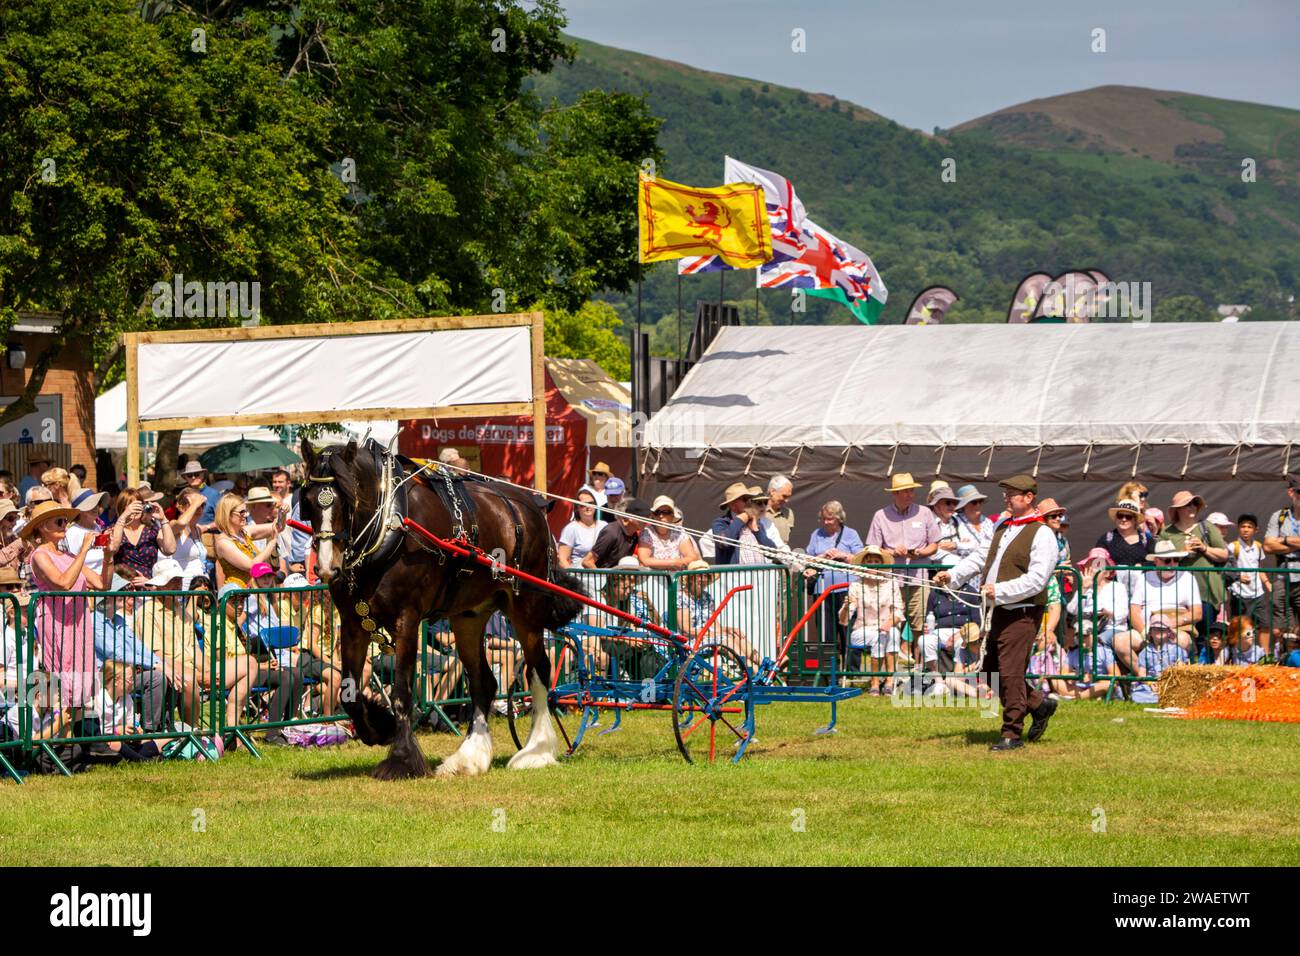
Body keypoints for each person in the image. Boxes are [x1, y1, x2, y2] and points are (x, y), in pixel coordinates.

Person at [934, 474, 1059, 751]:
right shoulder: (1003, 525)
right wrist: (952, 576)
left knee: (1011, 673)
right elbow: (980, 557)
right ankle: (1038, 705)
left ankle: (1012, 734)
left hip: (1023, 611)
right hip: (998, 609)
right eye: (1006, 494)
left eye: (1012, 494)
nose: (1007, 498)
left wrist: (999, 590)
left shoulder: (1043, 533)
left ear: (1028, 498)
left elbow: (1038, 579)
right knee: (991, 671)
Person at [25, 499, 115, 731]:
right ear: (42, 526)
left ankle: (69, 744)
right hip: (56, 625)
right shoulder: (39, 555)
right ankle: (48, 743)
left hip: (78, 625)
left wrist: (108, 556)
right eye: (59, 520)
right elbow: (63, 583)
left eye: (65, 519)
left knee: (78, 691)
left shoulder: (69, 556)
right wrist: (84, 550)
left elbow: (103, 584)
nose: (65, 523)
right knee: (61, 687)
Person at [865, 473, 940, 657]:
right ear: (895, 493)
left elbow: (935, 544)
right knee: (888, 625)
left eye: (911, 490)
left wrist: (920, 553)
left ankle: (920, 669)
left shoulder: (925, 513)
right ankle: (888, 673)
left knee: (921, 626)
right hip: (890, 581)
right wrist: (891, 552)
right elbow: (872, 548)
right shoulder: (880, 516)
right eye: (905, 491)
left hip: (919, 579)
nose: (909, 494)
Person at [1118, 539, 1202, 672]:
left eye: (1175, 560)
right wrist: (1146, 631)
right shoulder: (1143, 578)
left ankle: (1168, 682)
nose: (1172, 564)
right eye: (1167, 560)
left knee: (1182, 641)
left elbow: (1197, 613)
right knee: (1120, 642)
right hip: (1146, 630)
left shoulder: (1188, 578)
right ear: (1156, 561)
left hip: (1175, 630)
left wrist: (1167, 625)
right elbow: (1134, 610)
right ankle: (1145, 679)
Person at [1158, 490, 1228, 646]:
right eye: (1186, 505)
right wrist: (1182, 552)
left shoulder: (1207, 527)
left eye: (1194, 504)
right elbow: (1159, 558)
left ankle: (1205, 669)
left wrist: (1204, 548)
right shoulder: (1166, 533)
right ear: (1178, 509)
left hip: (1206, 592)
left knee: (1206, 637)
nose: (1192, 507)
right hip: (1177, 595)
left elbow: (1224, 554)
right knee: (1180, 636)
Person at [805, 500, 864, 657]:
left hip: (846, 589)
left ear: (839, 518)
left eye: (830, 518)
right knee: (825, 632)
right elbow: (808, 560)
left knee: (848, 629)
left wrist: (842, 555)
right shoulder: (816, 535)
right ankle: (828, 671)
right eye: (824, 518)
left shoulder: (851, 534)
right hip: (822, 590)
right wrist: (823, 556)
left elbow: (860, 559)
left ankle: (851, 672)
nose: (826, 522)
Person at [838, 546, 902, 692]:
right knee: (878, 637)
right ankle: (874, 681)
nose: (873, 564)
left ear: (882, 565)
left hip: (887, 628)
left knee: (893, 633)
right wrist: (847, 607)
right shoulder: (856, 585)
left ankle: (889, 681)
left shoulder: (892, 584)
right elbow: (843, 620)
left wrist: (888, 624)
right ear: (863, 565)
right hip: (861, 630)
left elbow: (898, 612)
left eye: (876, 561)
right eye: (869, 561)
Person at [676, 559, 759, 668]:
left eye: (706, 576)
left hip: (707, 638)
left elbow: (715, 626)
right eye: (700, 576)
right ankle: (753, 670)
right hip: (689, 641)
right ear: (691, 578)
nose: (704, 579)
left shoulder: (707, 597)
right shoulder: (681, 597)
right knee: (725, 640)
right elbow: (686, 629)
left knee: (736, 636)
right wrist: (713, 634)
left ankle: (765, 666)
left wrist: (729, 629)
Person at [108, 487, 177, 587]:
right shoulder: (114, 529)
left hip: (148, 586)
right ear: (122, 508)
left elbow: (170, 549)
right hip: (122, 589)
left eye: (138, 505)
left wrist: (163, 519)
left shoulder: (152, 529)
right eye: (130, 506)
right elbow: (113, 548)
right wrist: (123, 516)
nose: (135, 510)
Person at [1263, 475, 1300, 639]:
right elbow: (1268, 546)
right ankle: (1285, 660)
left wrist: (1284, 540)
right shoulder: (1279, 516)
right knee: (1281, 626)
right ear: (1291, 492)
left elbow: (1274, 543)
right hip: (1282, 576)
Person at [712, 482, 777, 567]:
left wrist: (757, 531)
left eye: (750, 498)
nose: (750, 501)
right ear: (733, 505)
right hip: (735, 578)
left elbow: (772, 552)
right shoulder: (721, 523)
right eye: (745, 499)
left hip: (759, 578)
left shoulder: (756, 522)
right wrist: (740, 520)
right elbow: (724, 543)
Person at [1226, 513, 1271, 626]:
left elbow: (1259, 567)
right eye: (1243, 526)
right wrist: (1238, 577)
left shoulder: (1258, 546)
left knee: (1264, 626)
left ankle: (1262, 645)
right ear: (1238, 528)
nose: (1246, 530)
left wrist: (1267, 583)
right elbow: (1226, 569)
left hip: (1258, 594)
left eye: (1249, 527)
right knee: (1239, 628)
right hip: (1239, 594)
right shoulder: (1232, 547)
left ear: (1256, 530)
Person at [583, 498, 651, 569]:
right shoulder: (611, 532)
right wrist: (603, 578)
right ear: (630, 518)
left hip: (616, 578)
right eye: (643, 518)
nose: (647, 521)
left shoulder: (634, 536)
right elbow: (587, 562)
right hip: (600, 577)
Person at [636, 495, 700, 571]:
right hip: (653, 578)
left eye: (665, 512)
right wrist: (672, 563)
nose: (661, 516)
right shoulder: (647, 532)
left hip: (676, 578)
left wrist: (678, 563)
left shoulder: (679, 532)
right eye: (657, 512)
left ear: (672, 516)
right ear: (653, 515)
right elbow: (644, 560)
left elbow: (692, 557)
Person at [168, 488, 210, 586]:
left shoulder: (197, 529)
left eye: (202, 505)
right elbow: (182, 523)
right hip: (183, 588)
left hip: (201, 588)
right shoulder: (173, 525)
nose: (199, 509)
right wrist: (196, 504)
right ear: (181, 507)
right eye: (195, 505)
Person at [1096, 499, 1152, 570]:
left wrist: (1141, 566)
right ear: (1116, 518)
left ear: (1135, 520)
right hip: (1113, 580)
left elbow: (1155, 561)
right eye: (1120, 516)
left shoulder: (1146, 538)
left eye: (1128, 517)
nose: (1124, 519)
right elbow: (1096, 562)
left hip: (1142, 580)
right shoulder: (1106, 538)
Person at [557, 490, 606, 568]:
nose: (588, 507)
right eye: (583, 505)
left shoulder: (604, 526)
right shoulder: (571, 529)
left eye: (591, 503)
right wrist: (572, 576)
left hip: (603, 575)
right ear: (577, 508)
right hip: (581, 575)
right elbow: (562, 559)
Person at [953, 484, 993, 560]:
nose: (978, 505)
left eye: (980, 501)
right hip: (963, 568)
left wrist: (960, 545)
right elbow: (950, 548)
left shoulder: (988, 522)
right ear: (963, 505)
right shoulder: (954, 522)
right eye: (974, 502)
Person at [181, 461, 223, 528]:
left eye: (197, 474)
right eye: (189, 475)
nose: (193, 477)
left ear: (202, 475)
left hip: (209, 536)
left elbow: (223, 520)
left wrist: (207, 527)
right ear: (186, 478)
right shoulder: (184, 495)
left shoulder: (214, 494)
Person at [927, 484, 961, 567]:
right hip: (933, 573)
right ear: (936, 505)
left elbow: (973, 545)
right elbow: (924, 550)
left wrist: (956, 545)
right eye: (948, 503)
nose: (952, 506)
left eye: (954, 503)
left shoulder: (959, 520)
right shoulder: (927, 522)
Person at [1037, 498, 1071, 566]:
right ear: (1043, 519)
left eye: (1060, 515)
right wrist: (1058, 568)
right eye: (1053, 516)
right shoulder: (1039, 539)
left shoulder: (1062, 540)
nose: (1058, 519)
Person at [766, 475, 795, 546]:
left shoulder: (788, 513)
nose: (787, 500)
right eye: (784, 496)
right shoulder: (758, 511)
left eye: (789, 497)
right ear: (772, 491)